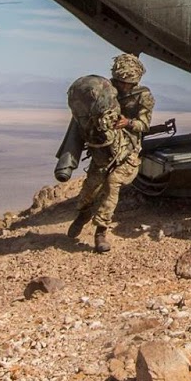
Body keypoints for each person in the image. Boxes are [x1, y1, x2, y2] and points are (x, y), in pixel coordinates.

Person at [68, 53, 155, 252]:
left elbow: (144, 125)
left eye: (128, 83)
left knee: (112, 184)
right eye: (121, 82)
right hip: (104, 149)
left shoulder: (143, 95)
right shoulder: (105, 91)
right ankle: (83, 214)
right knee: (91, 187)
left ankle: (101, 232)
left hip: (129, 149)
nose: (124, 86)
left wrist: (128, 123)